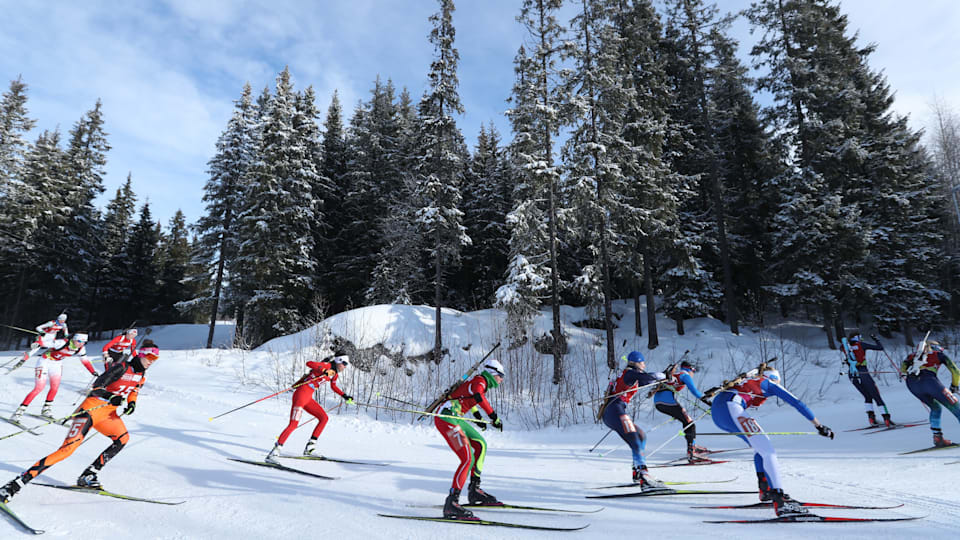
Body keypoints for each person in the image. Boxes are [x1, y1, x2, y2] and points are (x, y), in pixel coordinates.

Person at [0, 340, 161, 503]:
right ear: (140, 354)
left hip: (108, 415)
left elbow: (134, 391)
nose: (151, 361)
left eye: (154, 359)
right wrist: (111, 396)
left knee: (122, 439)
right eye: (149, 356)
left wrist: (132, 403)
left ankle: (89, 474)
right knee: (65, 451)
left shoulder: (141, 375)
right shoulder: (121, 368)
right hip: (89, 411)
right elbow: (97, 387)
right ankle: (13, 486)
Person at [710, 367, 834, 518]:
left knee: (760, 448)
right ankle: (780, 500)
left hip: (720, 412)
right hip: (731, 408)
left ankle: (766, 490)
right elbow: (797, 403)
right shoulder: (769, 383)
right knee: (768, 451)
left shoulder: (749, 380)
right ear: (775, 378)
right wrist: (819, 425)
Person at [434, 359, 505, 520]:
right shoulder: (480, 382)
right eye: (501, 376)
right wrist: (493, 417)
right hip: (447, 418)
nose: (501, 380)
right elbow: (478, 395)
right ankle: (452, 503)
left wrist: (478, 416)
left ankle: (474, 491)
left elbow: (469, 398)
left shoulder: (477, 383)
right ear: (493, 374)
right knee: (467, 458)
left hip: (456, 418)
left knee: (481, 444)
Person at [264, 355, 354, 464]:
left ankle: (310, 448)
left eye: (346, 365)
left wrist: (345, 396)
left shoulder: (334, 374)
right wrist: (324, 370)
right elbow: (309, 363)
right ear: (339, 361)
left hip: (308, 398)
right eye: (344, 364)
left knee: (324, 418)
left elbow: (333, 386)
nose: (345, 367)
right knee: (293, 424)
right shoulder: (327, 365)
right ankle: (274, 452)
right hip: (301, 395)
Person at [600, 351, 668, 491]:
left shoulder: (629, 374)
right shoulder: (630, 373)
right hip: (615, 410)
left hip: (614, 411)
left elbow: (645, 378)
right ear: (637, 362)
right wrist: (664, 375)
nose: (644, 365)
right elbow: (649, 378)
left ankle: (637, 472)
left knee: (641, 435)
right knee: (634, 438)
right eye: (642, 362)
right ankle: (644, 475)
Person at [10, 332, 98, 423]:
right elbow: (43, 343)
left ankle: (46, 410)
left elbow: (85, 361)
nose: (81, 344)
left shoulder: (81, 349)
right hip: (44, 362)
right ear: (74, 339)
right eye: (79, 341)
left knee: (55, 388)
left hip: (56, 365)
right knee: (39, 388)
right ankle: (18, 412)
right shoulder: (62, 343)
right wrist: (37, 343)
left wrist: (93, 372)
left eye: (84, 342)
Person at [901, 341, 960, 447]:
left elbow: (903, 369)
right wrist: (954, 385)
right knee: (955, 406)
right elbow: (956, 371)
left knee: (936, 408)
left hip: (912, 385)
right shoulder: (938, 355)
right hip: (930, 382)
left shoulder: (912, 356)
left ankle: (938, 438)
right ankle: (938, 438)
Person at [652, 360, 713, 462]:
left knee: (686, 421)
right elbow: (695, 392)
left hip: (659, 403)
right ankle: (692, 450)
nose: (693, 373)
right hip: (667, 402)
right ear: (690, 369)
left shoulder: (675, 374)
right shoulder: (685, 375)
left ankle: (692, 446)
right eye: (694, 370)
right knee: (690, 423)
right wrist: (710, 403)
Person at [843, 331, 893, 427]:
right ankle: (886, 419)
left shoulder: (845, 346)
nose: (861, 338)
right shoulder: (861, 344)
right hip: (863, 372)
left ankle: (871, 418)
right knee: (876, 395)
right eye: (860, 336)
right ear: (857, 337)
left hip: (852, 374)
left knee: (867, 396)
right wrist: (876, 339)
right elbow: (880, 348)